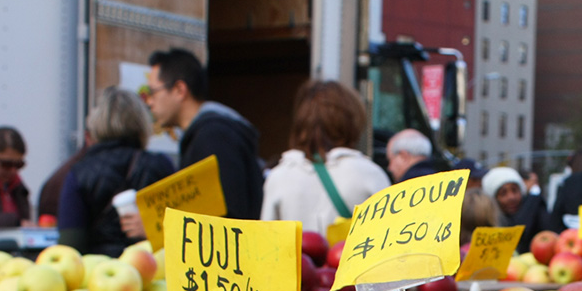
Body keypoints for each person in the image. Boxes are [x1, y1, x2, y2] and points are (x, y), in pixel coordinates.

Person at [145, 48, 263, 219]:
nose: (149, 102)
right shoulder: (206, 134)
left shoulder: (214, 137)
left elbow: (225, 213)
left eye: (153, 92)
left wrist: (159, 225)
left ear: (179, 89)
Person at [56, 87, 175, 257]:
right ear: (141, 123)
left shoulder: (79, 173)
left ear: (96, 123)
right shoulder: (160, 165)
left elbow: (70, 246)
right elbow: (180, 231)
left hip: (97, 275)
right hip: (153, 272)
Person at [261, 80, 391, 234]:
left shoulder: (278, 177)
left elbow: (267, 244)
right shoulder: (370, 174)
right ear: (353, 119)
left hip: (298, 259)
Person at [482, 166, 551, 253]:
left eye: (514, 190)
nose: (511, 197)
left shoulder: (534, 211)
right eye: (503, 193)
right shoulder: (490, 224)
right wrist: (534, 197)